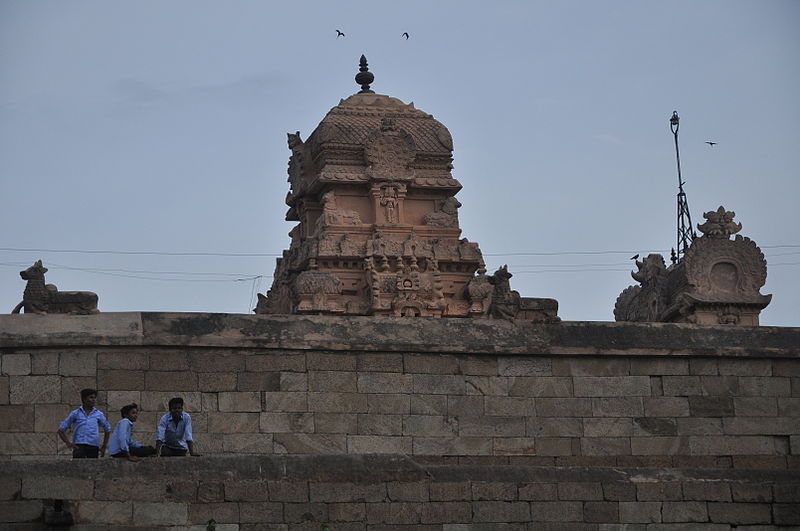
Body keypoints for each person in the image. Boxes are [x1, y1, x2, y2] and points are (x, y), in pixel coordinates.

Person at [57, 388, 111, 458]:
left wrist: (104, 446)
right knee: (78, 467)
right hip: (79, 446)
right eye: (91, 397)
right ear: (84, 399)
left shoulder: (99, 414)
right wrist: (68, 443)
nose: (93, 400)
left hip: (93, 446)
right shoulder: (75, 413)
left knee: (92, 467)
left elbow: (107, 429)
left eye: (94, 398)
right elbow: (61, 430)